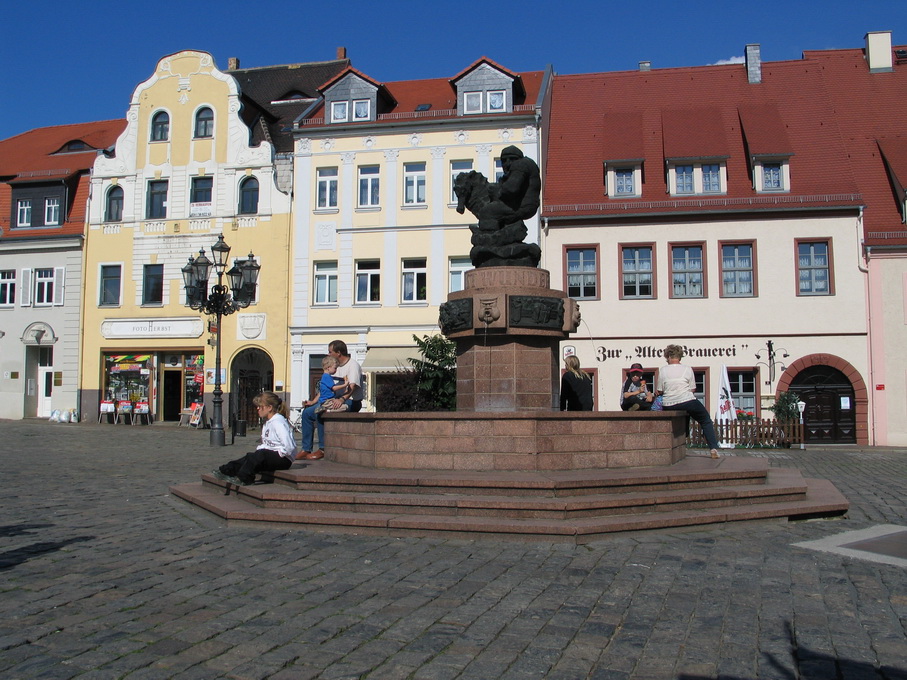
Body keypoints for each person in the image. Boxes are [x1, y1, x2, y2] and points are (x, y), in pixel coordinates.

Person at [212, 391, 298, 486]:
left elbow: (289, 446)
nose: (257, 409)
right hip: (270, 454)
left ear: (269, 408)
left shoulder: (279, 422)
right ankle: (226, 470)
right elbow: (265, 444)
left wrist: (278, 453)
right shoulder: (268, 422)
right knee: (250, 456)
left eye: (260, 406)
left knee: (260, 455)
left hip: (284, 459)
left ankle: (245, 478)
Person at [298, 340, 363, 460]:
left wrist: (342, 400)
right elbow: (324, 387)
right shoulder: (332, 366)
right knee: (307, 413)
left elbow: (352, 387)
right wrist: (313, 402)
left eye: (330, 352)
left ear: (338, 353)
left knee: (322, 412)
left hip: (351, 401)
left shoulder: (352, 365)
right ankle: (306, 449)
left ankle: (323, 448)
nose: (328, 354)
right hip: (332, 399)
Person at [655, 344, 720, 458]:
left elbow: (660, 390)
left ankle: (682, 439)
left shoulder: (663, 370)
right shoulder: (687, 369)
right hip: (686, 400)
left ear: (668, 357)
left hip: (669, 403)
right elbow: (692, 389)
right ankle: (713, 448)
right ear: (680, 357)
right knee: (705, 420)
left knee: (683, 414)